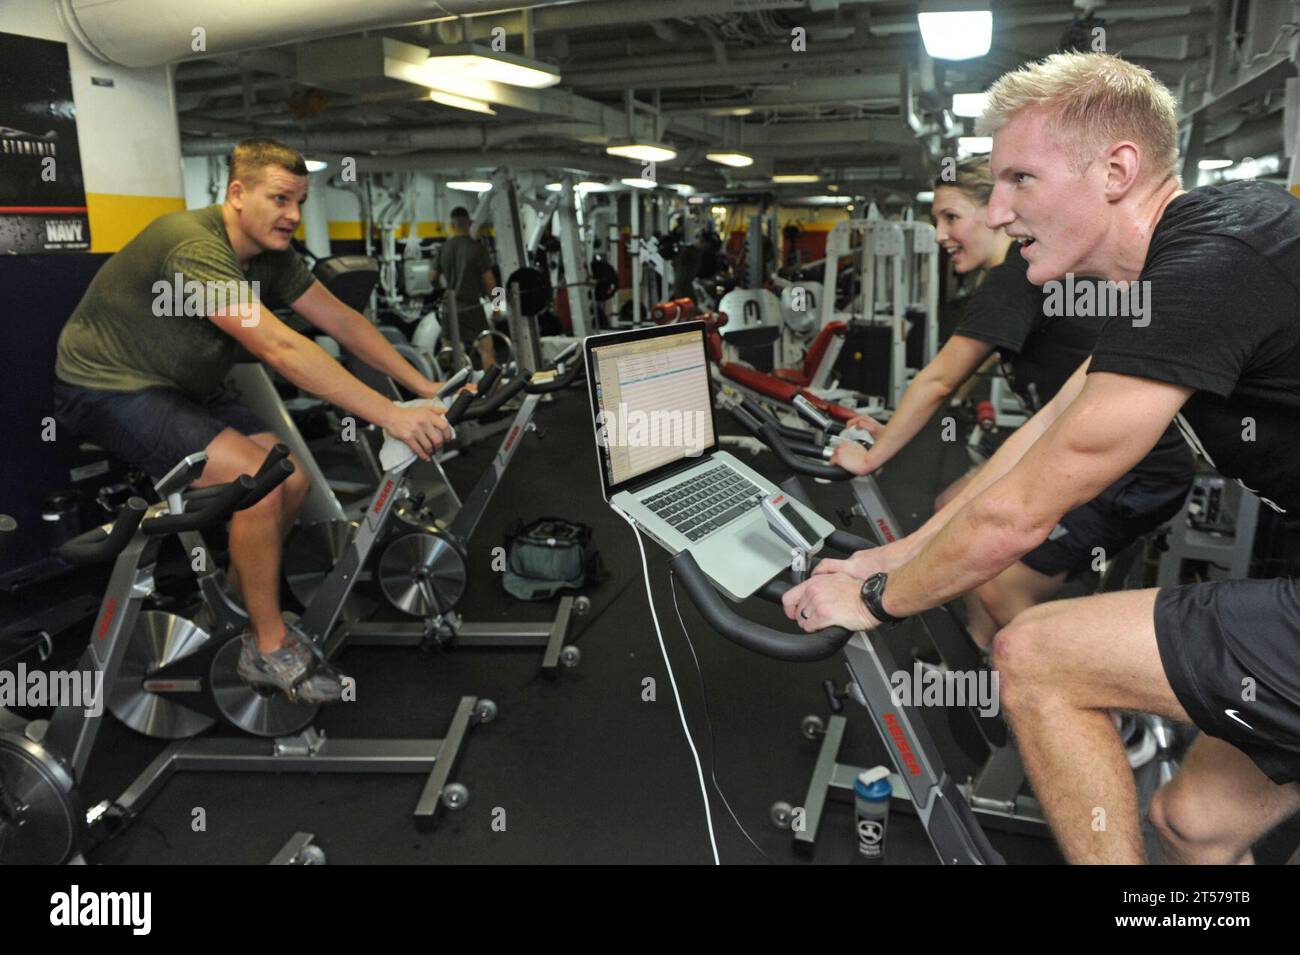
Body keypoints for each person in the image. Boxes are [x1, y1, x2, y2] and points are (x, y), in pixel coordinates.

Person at [783, 52, 1300, 864]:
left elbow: (1021, 513)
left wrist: (877, 599)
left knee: (1036, 656)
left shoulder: (1211, 262)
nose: (998, 210)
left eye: (1019, 179)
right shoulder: (1181, 265)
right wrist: (891, 555)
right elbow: (1041, 439)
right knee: (1197, 823)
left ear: (1117, 171)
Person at [53, 138, 455, 704]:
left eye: (300, 201)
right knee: (254, 489)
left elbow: (338, 318)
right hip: (110, 388)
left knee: (290, 480)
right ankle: (265, 646)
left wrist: (424, 387)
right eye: (279, 199)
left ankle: (236, 615)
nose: (292, 214)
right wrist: (390, 415)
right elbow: (280, 348)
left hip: (186, 387)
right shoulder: (190, 244)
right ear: (237, 193)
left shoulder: (272, 254)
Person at [833, 156, 1192, 648]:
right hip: (1082, 444)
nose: (940, 234)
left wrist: (872, 455)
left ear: (995, 211)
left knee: (997, 583)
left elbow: (940, 379)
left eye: (952, 217)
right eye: (936, 220)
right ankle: (983, 660)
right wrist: (895, 425)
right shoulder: (1017, 272)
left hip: (1134, 471)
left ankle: (1085, 698)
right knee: (950, 507)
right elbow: (976, 367)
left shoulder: (1013, 277)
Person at [432, 206, 498, 370]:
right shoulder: (477, 248)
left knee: (448, 350)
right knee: (486, 348)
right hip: (471, 305)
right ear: (468, 223)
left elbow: (432, 277)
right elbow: (490, 282)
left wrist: (442, 290)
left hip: (449, 306)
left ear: (452, 225)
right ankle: (495, 388)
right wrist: (498, 306)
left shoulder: (444, 248)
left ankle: (449, 387)